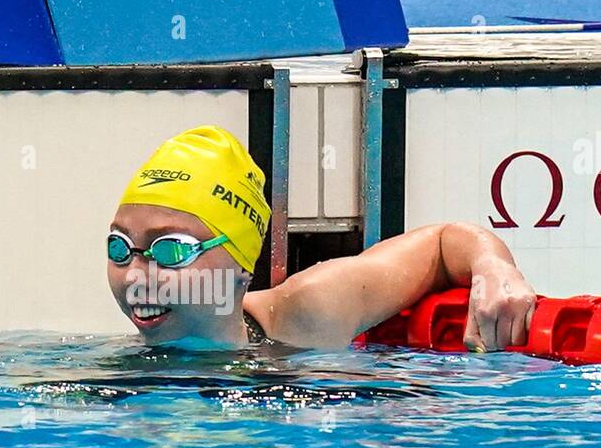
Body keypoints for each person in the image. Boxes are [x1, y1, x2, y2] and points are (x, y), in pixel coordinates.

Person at [107, 126, 536, 351]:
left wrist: (493, 265)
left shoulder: (308, 314)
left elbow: (443, 243)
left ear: (242, 267)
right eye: (120, 248)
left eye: (171, 250)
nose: (137, 277)